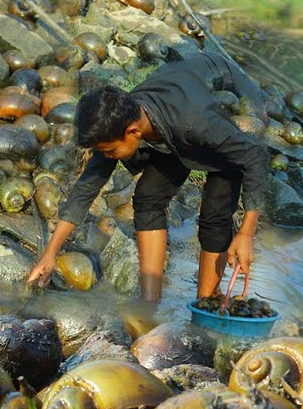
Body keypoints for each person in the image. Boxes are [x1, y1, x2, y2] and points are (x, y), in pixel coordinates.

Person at [26, 51, 270, 303]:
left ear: (132, 131)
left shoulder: (196, 122)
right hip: (175, 117)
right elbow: (86, 189)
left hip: (228, 96)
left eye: (110, 151)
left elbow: (254, 156)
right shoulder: (118, 120)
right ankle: (150, 302)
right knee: (148, 197)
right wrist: (49, 254)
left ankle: (206, 303)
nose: (108, 157)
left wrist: (245, 234)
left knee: (215, 212)